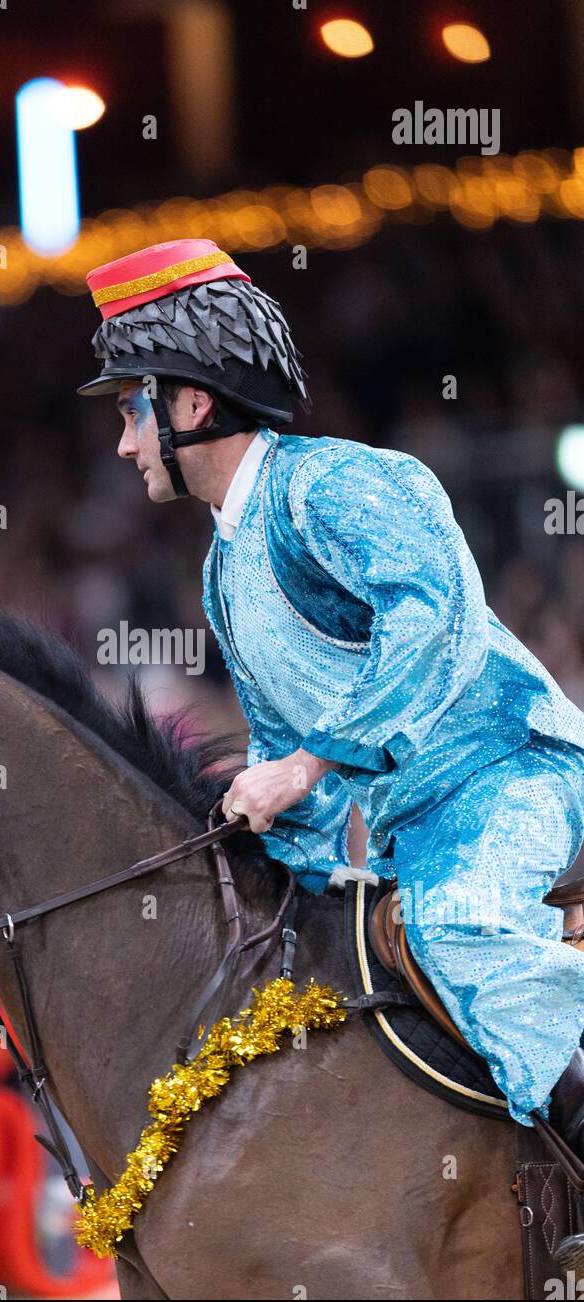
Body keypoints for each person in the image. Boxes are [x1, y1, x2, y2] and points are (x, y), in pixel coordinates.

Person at [76, 236, 584, 1154]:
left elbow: (433, 621)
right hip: (417, 828)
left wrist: (308, 766)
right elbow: (280, 756)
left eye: (131, 413)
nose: (123, 444)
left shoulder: (340, 483)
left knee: (455, 925)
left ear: (191, 400)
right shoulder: (223, 570)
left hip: (519, 778)